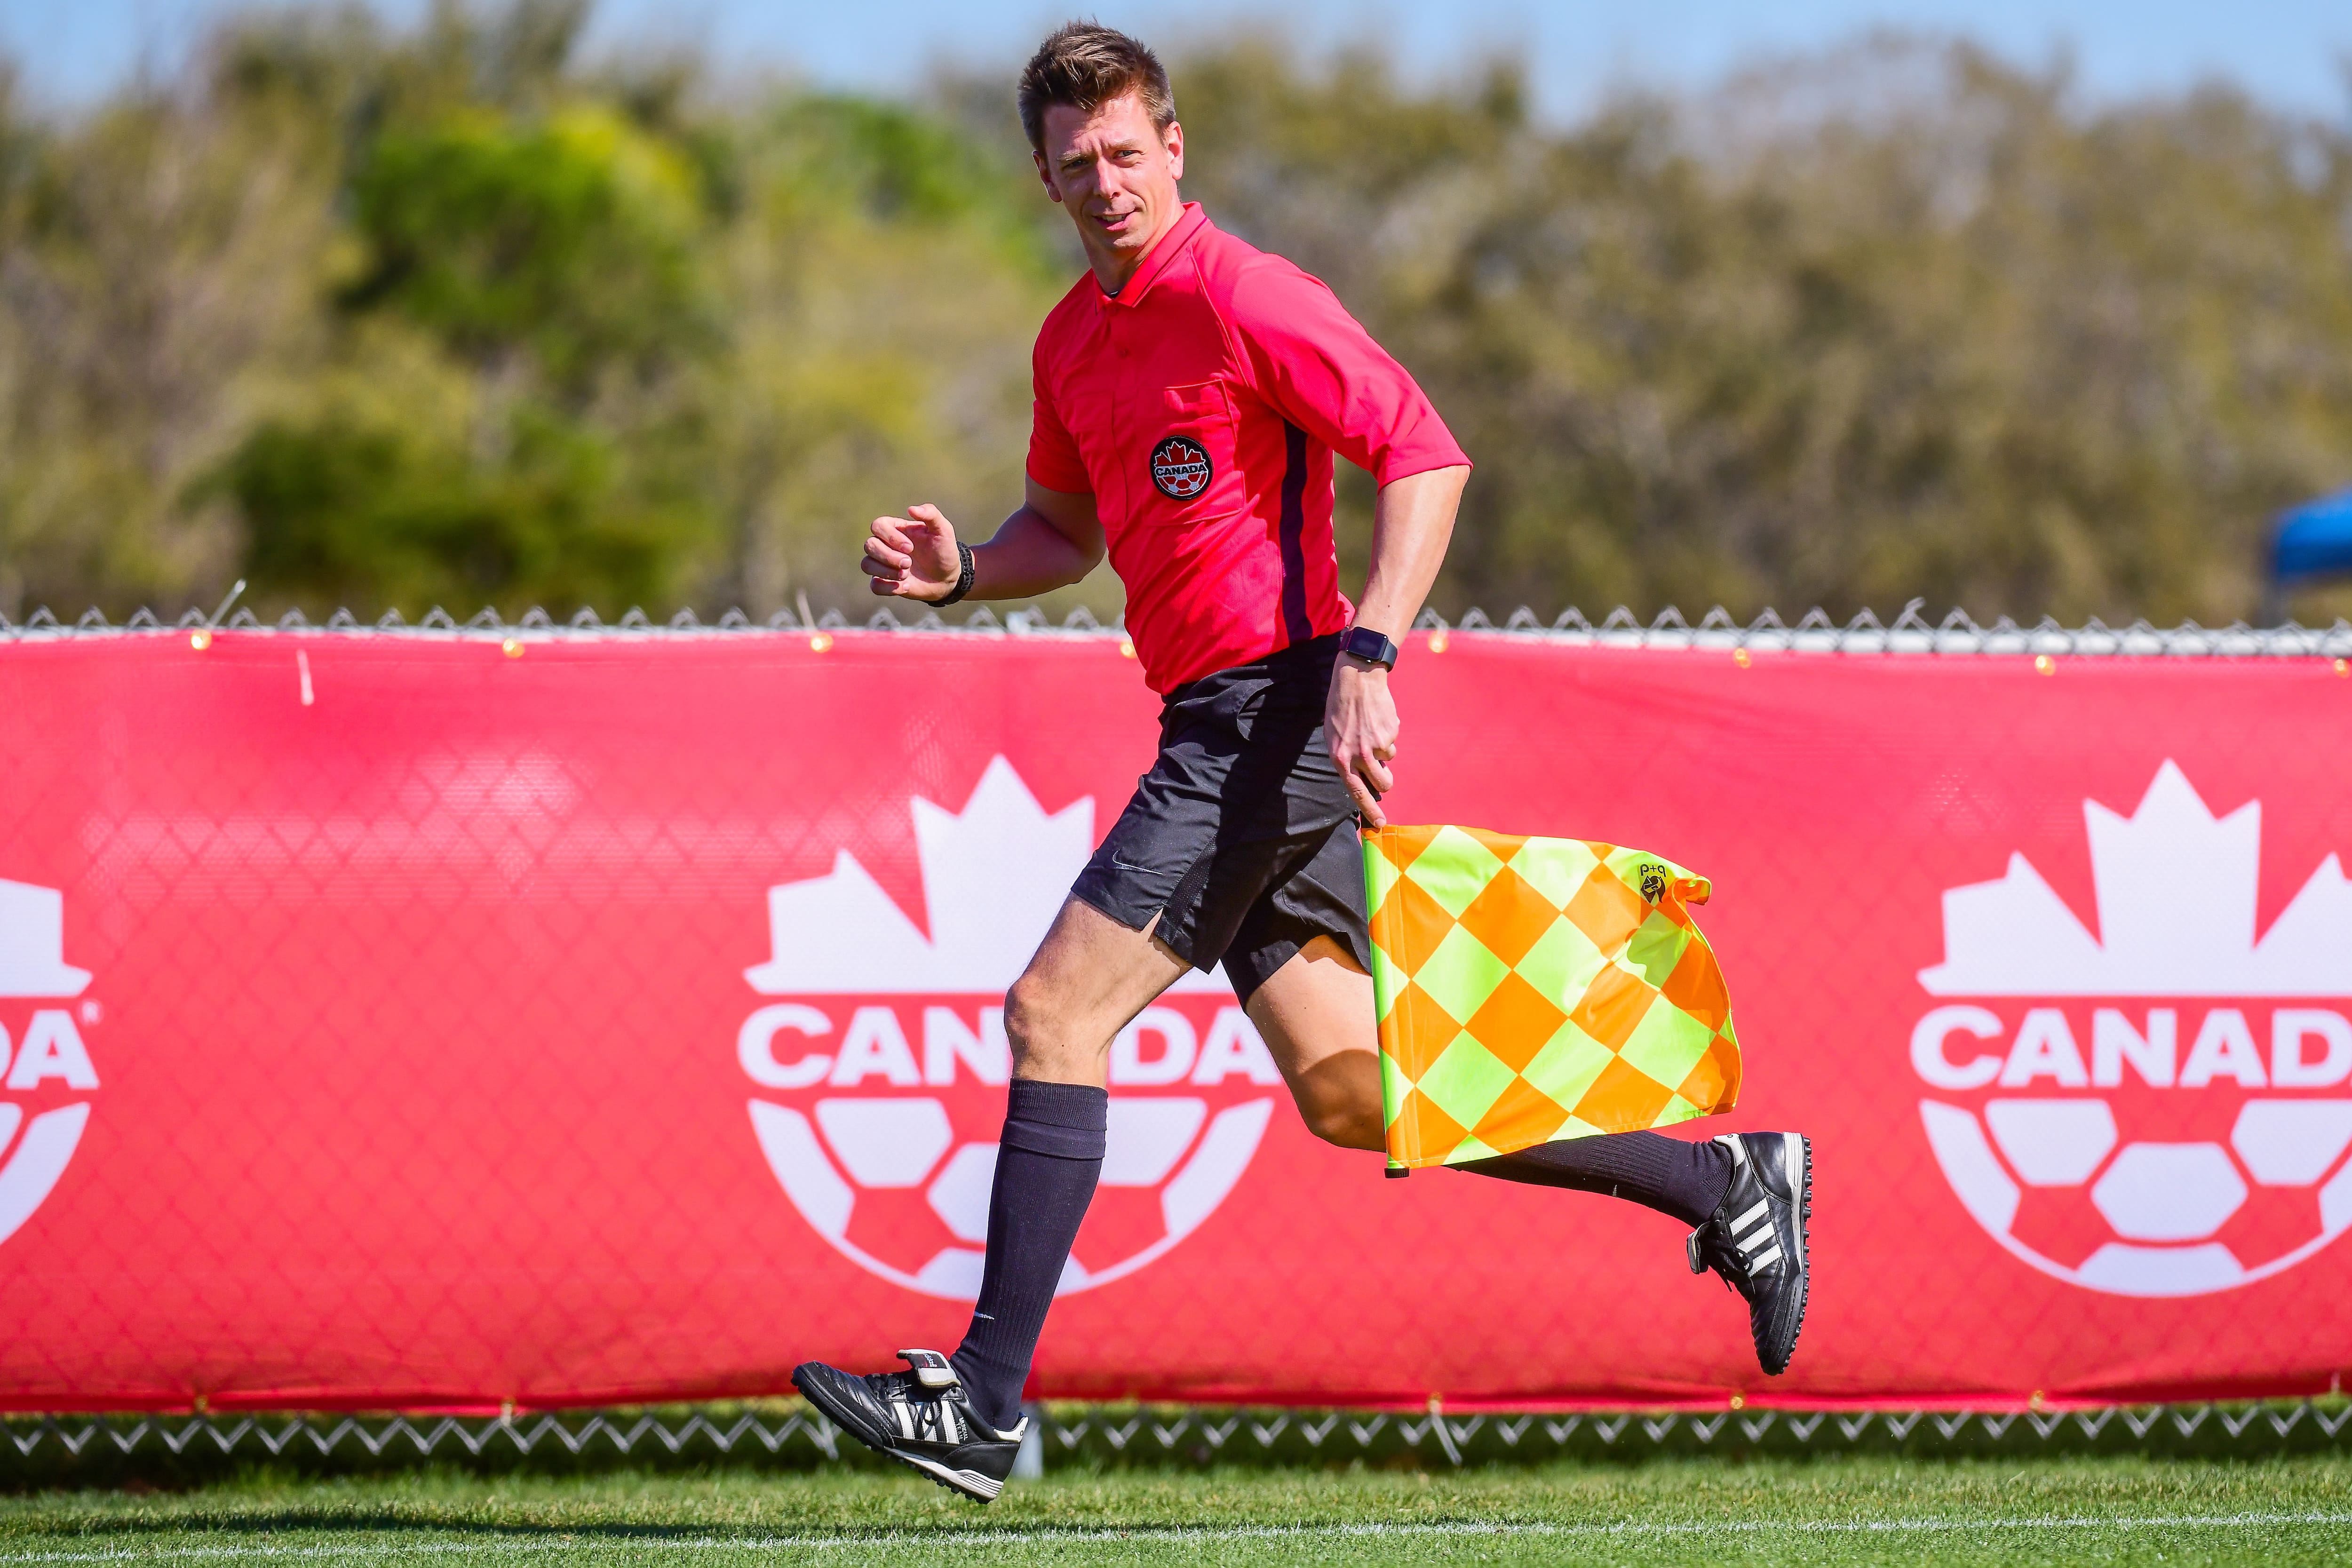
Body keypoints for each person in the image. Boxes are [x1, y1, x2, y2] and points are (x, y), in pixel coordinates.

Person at [792, 22, 1812, 1502]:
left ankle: (985, 1401)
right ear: (1044, 177)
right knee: (1353, 1090)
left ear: (1174, 148)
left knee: (1052, 1012)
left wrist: (1372, 654)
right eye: (1077, 165)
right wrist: (963, 571)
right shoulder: (1072, 338)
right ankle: (1725, 1184)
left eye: (1129, 154)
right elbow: (1064, 535)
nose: (1107, 182)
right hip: (1213, 724)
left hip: (1270, 720)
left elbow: (1426, 452)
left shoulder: (1245, 291)